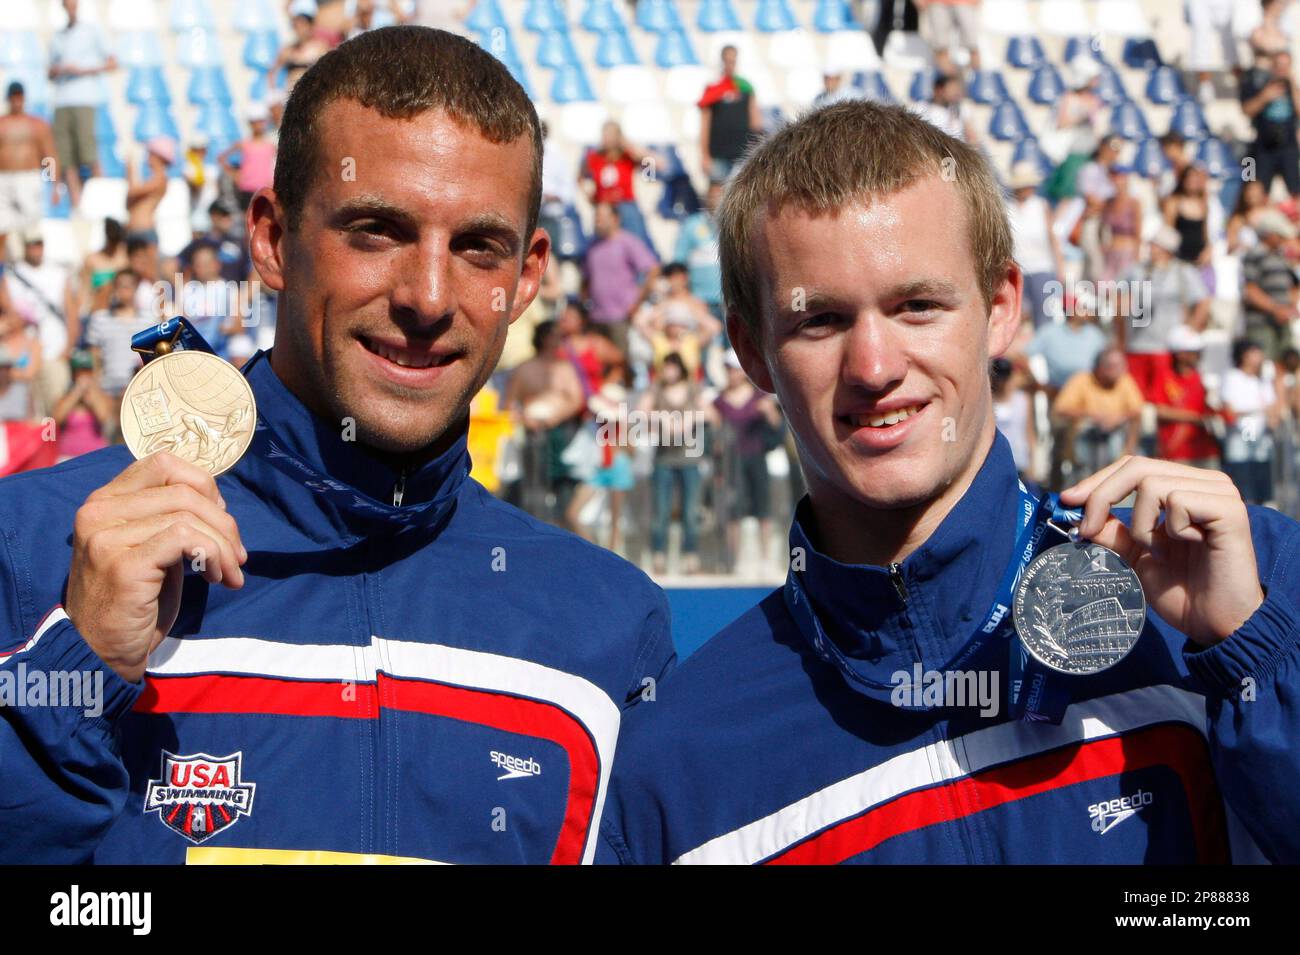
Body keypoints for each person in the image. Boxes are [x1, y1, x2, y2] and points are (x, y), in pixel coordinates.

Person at [0, 26, 671, 865]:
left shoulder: (606, 625)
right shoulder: (32, 549)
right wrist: (75, 678)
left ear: (528, 276)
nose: (427, 297)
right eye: (376, 230)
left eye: (476, 247)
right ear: (273, 240)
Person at [598, 100, 1300, 866]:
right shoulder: (672, 770)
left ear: (1000, 309)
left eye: (918, 306)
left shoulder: (1254, 582)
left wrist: (1252, 658)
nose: (875, 367)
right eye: (822, 320)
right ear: (752, 351)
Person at [1120, 225, 1209, 401]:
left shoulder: (1183, 271)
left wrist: (1190, 330)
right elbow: (1119, 299)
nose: (1151, 249)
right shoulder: (1136, 270)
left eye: (1155, 245)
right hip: (1137, 344)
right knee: (1137, 397)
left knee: (1164, 397)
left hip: (1167, 347)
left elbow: (1203, 302)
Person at [714, 349, 781, 571]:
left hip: (756, 457)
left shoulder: (759, 398)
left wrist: (769, 413)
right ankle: (735, 559)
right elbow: (715, 435)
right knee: (734, 510)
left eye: (733, 370)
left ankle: (766, 558)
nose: (730, 374)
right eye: (728, 370)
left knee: (763, 507)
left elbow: (778, 427)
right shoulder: (719, 401)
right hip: (731, 462)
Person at [642, 352, 710, 575]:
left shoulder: (693, 389)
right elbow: (639, 413)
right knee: (661, 510)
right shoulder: (656, 389)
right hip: (664, 457)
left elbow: (711, 414)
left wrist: (690, 418)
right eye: (665, 367)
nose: (668, 372)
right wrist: (661, 418)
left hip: (689, 458)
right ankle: (658, 556)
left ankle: (690, 557)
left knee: (690, 511)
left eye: (672, 367)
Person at [47, 0, 115, 209]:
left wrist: (82, 70)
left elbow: (112, 63)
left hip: (84, 99)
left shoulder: (91, 31)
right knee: (66, 158)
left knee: (89, 153)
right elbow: (49, 72)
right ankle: (77, 205)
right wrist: (60, 70)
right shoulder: (57, 36)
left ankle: (104, 203)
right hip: (61, 101)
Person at [6, 228, 79, 419]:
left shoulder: (59, 273)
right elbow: (9, 314)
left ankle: (53, 447)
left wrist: (67, 349)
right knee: (30, 413)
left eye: (39, 243)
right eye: (32, 244)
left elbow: (72, 314)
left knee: (56, 410)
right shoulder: (12, 274)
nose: (36, 248)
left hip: (54, 351)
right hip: (25, 355)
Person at [582, 201, 660, 354]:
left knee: (622, 360)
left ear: (615, 219)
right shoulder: (592, 247)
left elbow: (653, 270)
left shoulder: (627, 242)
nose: (598, 221)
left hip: (621, 317)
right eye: (596, 217)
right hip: (597, 317)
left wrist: (637, 302)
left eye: (602, 217)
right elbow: (586, 279)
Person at [1053, 346, 1145, 474]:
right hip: (1084, 441)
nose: (1120, 370)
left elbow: (1137, 411)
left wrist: (1118, 418)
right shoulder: (1081, 379)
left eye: (1121, 366)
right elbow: (1061, 409)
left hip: (1116, 444)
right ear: (1101, 367)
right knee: (1086, 428)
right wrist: (1092, 416)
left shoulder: (1124, 380)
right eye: (1114, 366)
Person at [578, 121, 658, 255]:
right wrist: (588, 194)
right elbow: (580, 177)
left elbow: (654, 162)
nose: (606, 139)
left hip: (625, 205)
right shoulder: (595, 157)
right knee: (599, 247)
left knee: (637, 242)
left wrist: (627, 144)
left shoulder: (627, 156)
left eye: (610, 135)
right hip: (604, 206)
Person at [1222, 338, 1285, 506]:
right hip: (1240, 443)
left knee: (1264, 491)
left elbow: (1274, 407)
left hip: (1262, 443)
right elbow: (1229, 409)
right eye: (1255, 352)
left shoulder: (1263, 380)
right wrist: (1258, 409)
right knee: (1244, 491)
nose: (1260, 356)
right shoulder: (1232, 377)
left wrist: (1278, 384)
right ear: (1244, 355)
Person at [1151, 324, 1220, 468]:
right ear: (1180, 354)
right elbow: (1160, 411)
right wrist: (1196, 418)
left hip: (1205, 452)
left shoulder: (1203, 377)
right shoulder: (1165, 377)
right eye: (1194, 352)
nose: (1198, 356)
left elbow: (1214, 411)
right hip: (1175, 454)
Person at [0, 81, 55, 260]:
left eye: (19, 96)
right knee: (2, 227)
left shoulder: (37, 124)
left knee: (31, 226)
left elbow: (49, 155)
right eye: (13, 97)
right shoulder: (2, 123)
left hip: (28, 177)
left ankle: (30, 262)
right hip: (4, 178)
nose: (16, 101)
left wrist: (53, 184)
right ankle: (4, 266)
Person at [1006, 163, 1065, 328]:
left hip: (1042, 268)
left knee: (1045, 319)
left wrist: (1060, 268)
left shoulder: (1041, 206)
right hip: (1017, 269)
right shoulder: (1007, 208)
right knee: (1018, 318)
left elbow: (1053, 239)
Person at [1241, 48, 1300, 200]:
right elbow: (1247, 110)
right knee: (1257, 189)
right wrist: (1264, 97)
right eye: (1279, 65)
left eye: (1285, 66)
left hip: (1288, 146)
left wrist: (1291, 84)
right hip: (1264, 146)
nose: (1282, 70)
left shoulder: (1293, 89)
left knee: (1296, 190)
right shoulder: (1259, 84)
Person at [698, 45, 763, 183]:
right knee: (716, 195)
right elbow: (704, 124)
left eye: (732, 61)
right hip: (718, 155)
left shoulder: (745, 87)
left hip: (741, 155)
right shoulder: (713, 89)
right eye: (727, 61)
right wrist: (704, 156)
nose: (729, 65)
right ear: (722, 61)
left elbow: (755, 122)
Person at [1242, 208, 1300, 360]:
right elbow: (1250, 290)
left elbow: (1292, 285)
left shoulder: (1281, 256)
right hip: (1261, 323)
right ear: (1269, 234)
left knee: (1287, 362)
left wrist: (1291, 307)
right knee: (1265, 364)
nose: (1282, 239)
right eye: (1279, 235)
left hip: (1282, 322)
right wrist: (1276, 309)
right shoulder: (1255, 254)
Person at [673, 180, 725, 323]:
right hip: (701, 301)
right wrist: (686, 295)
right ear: (706, 198)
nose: (717, 201)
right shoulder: (691, 225)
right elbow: (679, 263)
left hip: (729, 301)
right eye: (713, 196)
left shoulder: (734, 227)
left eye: (720, 196)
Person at [51, 349, 111, 461]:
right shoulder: (65, 397)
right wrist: (77, 392)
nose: (83, 375)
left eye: (86, 371)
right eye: (79, 371)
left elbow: (103, 416)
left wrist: (92, 393)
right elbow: (57, 418)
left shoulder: (101, 396)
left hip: (96, 457)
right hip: (68, 457)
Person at [218, 103, 277, 212]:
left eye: (261, 121)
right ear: (250, 124)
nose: (258, 125)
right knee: (247, 220)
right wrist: (234, 175)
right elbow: (221, 158)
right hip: (247, 188)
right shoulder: (244, 144)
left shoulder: (270, 145)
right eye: (255, 121)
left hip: (266, 189)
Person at [991, 356, 1035, 481]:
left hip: (1019, 460)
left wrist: (1032, 464)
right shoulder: (986, 401)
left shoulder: (1022, 399)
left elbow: (1029, 432)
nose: (1001, 382)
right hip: (994, 461)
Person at [125, 136, 175, 245]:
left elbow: (132, 191)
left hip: (144, 231)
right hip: (136, 231)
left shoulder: (160, 179)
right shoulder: (154, 179)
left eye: (151, 154)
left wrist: (130, 167)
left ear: (159, 157)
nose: (148, 157)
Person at [268, 10, 330, 93]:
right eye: (296, 26)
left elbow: (330, 70)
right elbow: (273, 71)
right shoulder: (288, 50)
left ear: (310, 26)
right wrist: (274, 92)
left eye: (302, 25)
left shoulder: (320, 47)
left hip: (313, 92)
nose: (299, 29)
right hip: (291, 92)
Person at [918, 0, 982, 76]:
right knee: (940, 49)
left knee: (972, 46)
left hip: (965, 3)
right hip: (936, 3)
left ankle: (976, 81)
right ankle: (949, 83)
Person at [913, 72, 977, 144]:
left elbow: (971, 136)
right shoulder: (921, 107)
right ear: (939, 90)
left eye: (957, 89)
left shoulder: (961, 109)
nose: (956, 93)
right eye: (952, 89)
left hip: (955, 151)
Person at [81, 218, 129, 314]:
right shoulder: (91, 260)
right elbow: (85, 290)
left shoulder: (126, 257)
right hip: (97, 311)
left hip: (120, 313)